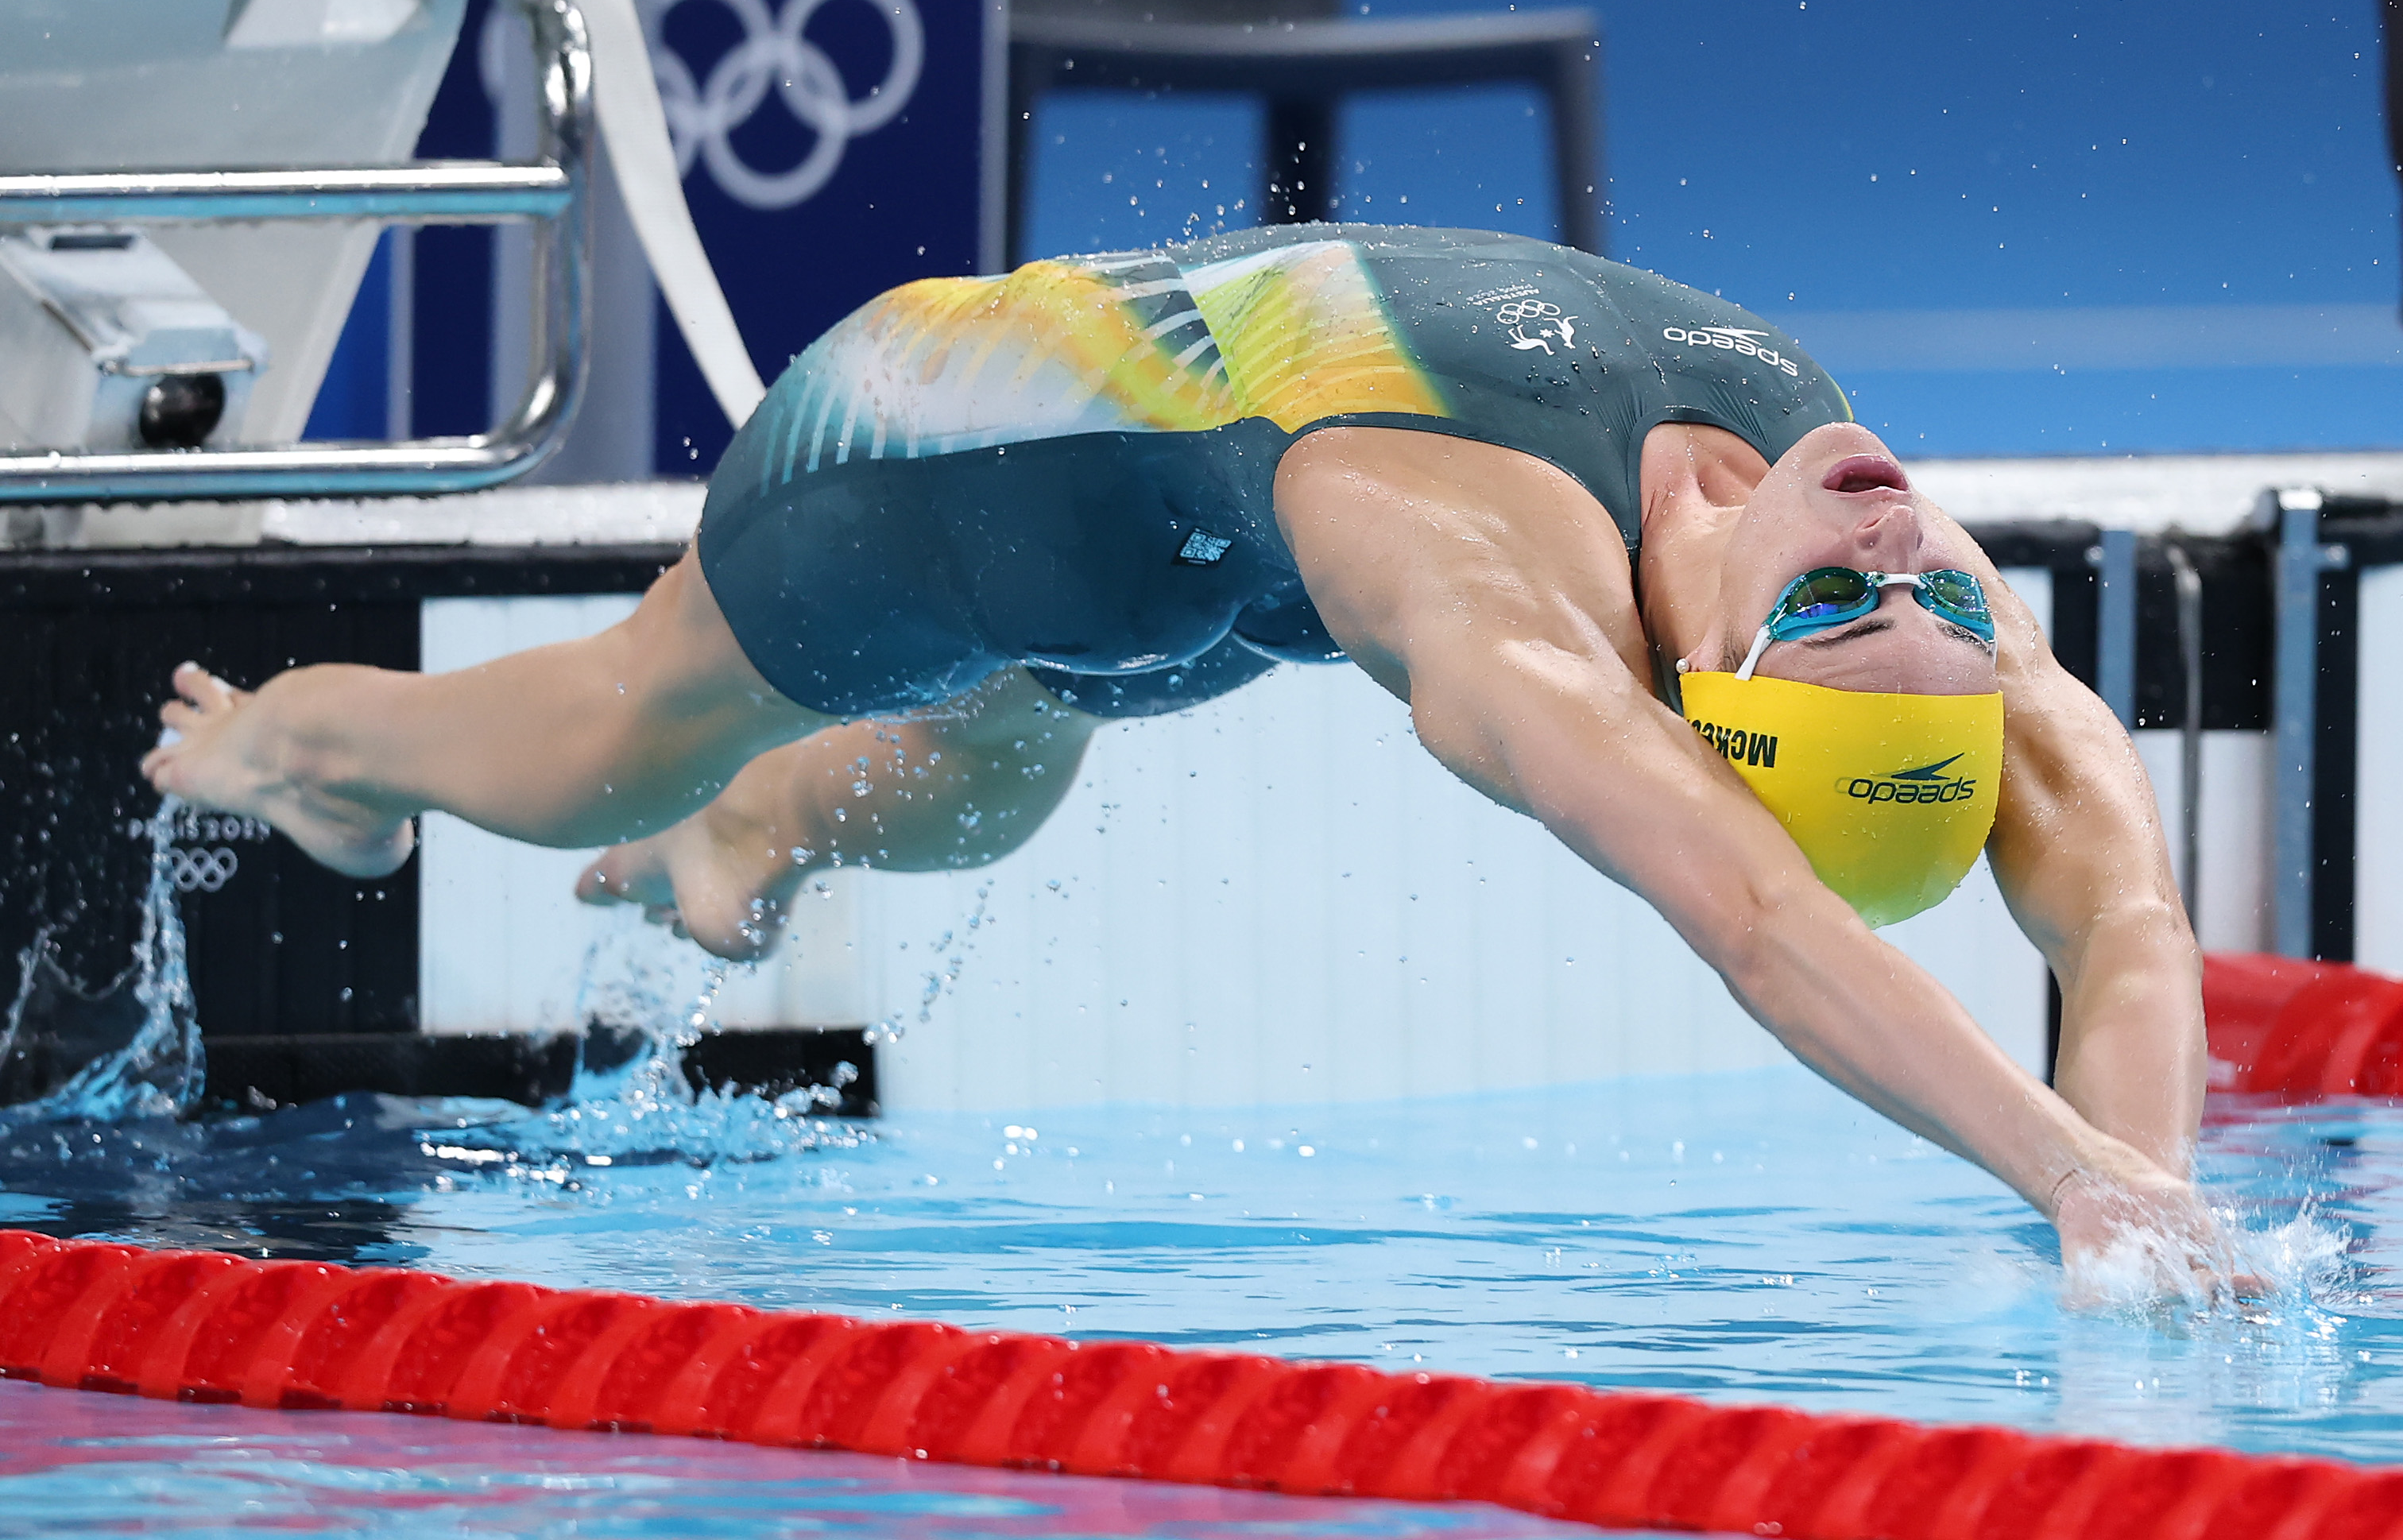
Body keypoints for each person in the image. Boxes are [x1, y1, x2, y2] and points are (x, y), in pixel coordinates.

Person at [145, 225, 2228, 1292]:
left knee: (1001, 744)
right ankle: (335, 750)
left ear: (1718, 682)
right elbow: (2095, 917)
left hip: (1037, 504)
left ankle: (648, 813)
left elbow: (1781, 912)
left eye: (1873, 606)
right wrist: (2115, 1187)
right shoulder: (1867, 576)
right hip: (953, 443)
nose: (1908, 558)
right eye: (1945, 601)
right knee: (626, 730)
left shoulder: (1533, 608)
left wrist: (2113, 1220)